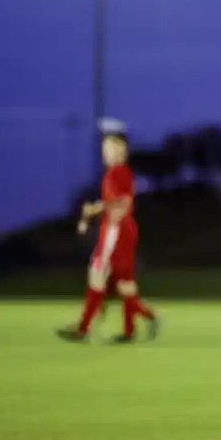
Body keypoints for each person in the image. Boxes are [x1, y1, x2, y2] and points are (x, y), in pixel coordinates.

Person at [57, 127, 159, 344]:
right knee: (123, 284)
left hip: (118, 231)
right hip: (116, 229)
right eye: (105, 149)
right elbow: (117, 202)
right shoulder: (114, 173)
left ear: (121, 152)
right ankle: (137, 324)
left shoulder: (119, 173)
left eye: (110, 149)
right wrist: (94, 212)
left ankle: (83, 328)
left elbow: (123, 203)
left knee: (99, 275)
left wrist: (94, 210)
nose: (105, 153)